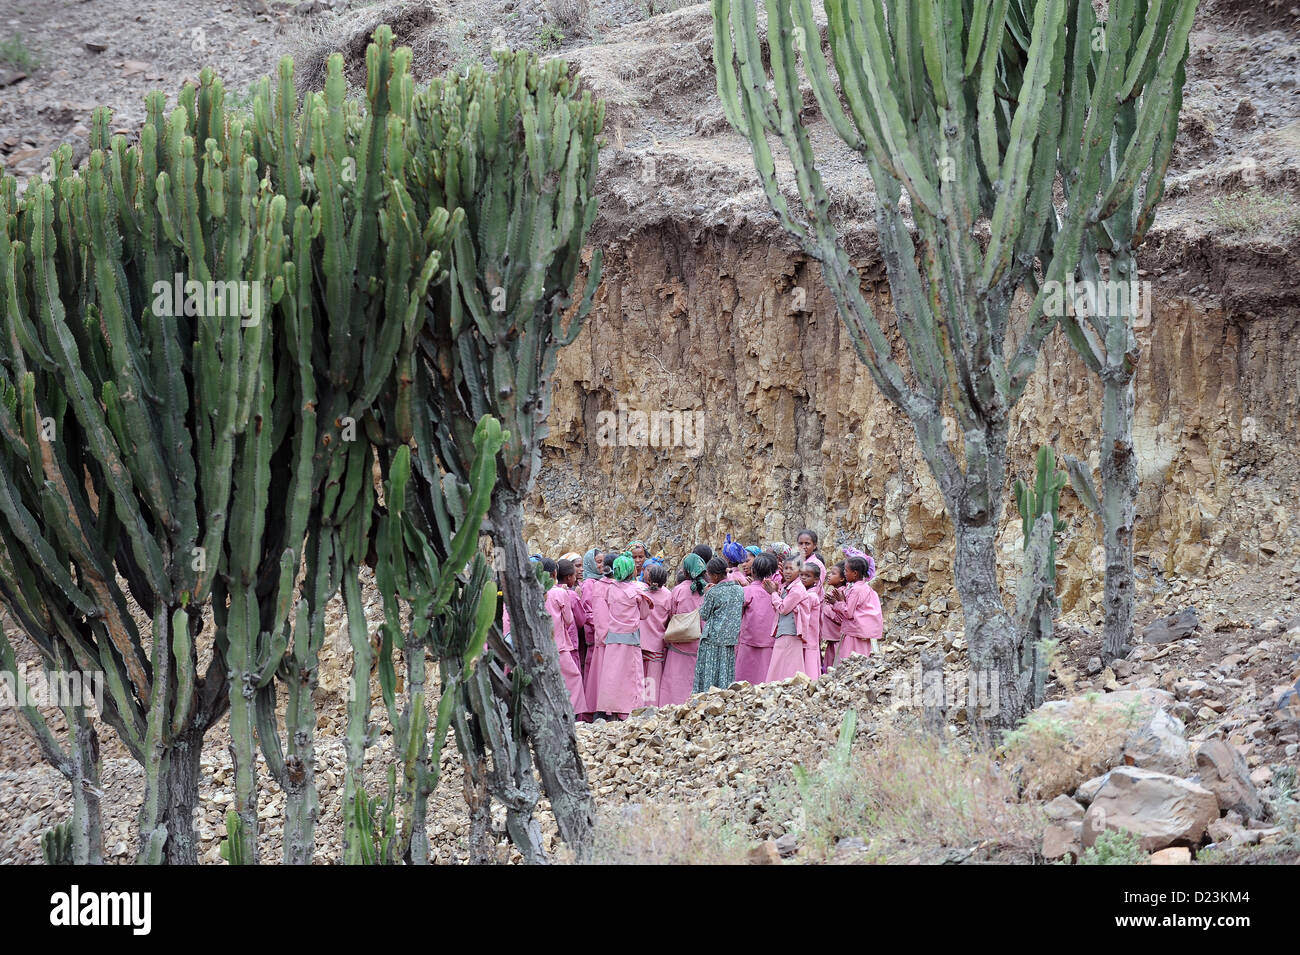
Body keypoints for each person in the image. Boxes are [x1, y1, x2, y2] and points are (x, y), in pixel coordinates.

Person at [596, 554, 646, 720]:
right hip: (630, 640)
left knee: (612, 676)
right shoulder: (636, 590)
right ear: (631, 571)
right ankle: (631, 711)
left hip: (612, 640)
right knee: (633, 676)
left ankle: (611, 710)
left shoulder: (610, 588)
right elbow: (644, 614)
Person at [659, 552, 707, 706]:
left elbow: (671, 612)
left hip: (679, 643)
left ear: (685, 571)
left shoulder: (679, 590)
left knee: (674, 679)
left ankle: (671, 706)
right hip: (699, 642)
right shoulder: (707, 590)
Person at [695, 557, 742, 692]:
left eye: (709, 575)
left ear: (715, 576)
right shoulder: (739, 589)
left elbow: (704, 614)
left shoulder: (713, 592)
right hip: (730, 640)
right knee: (725, 673)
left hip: (712, 640)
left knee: (709, 675)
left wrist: (706, 594)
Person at [765, 553, 814, 682]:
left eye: (791, 569)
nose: (787, 572)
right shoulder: (788, 587)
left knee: (786, 666)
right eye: (785, 568)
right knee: (782, 664)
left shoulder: (797, 589)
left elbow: (783, 609)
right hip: (785, 632)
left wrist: (774, 593)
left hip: (790, 633)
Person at [545, 559, 585, 717]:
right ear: (554, 574)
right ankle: (570, 715)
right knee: (573, 680)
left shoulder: (533, 591)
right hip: (559, 645)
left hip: (540, 645)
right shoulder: (560, 593)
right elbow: (569, 620)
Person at [736, 553, 778, 685]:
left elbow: (738, 613)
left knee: (744, 679)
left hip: (748, 641)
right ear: (773, 572)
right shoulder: (776, 592)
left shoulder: (746, 591)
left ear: (752, 571)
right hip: (770, 641)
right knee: (766, 678)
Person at [832, 555, 884, 660]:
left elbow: (848, 612)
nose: (845, 573)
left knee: (849, 660)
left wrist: (836, 603)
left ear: (855, 573)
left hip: (854, 633)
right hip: (863, 632)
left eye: (846, 571)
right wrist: (843, 601)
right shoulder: (866, 587)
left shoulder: (855, 590)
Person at [637, 562, 673, 706]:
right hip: (657, 644)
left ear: (649, 579)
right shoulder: (668, 595)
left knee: (639, 678)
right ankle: (650, 709)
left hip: (640, 643)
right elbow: (671, 618)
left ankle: (636, 707)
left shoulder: (642, 593)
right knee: (652, 681)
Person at [820, 562, 846, 671]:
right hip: (831, 638)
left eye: (833, 573)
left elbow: (841, 618)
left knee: (837, 668)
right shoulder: (832, 592)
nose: (829, 575)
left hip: (837, 639)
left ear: (842, 579)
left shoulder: (842, 593)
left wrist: (827, 607)